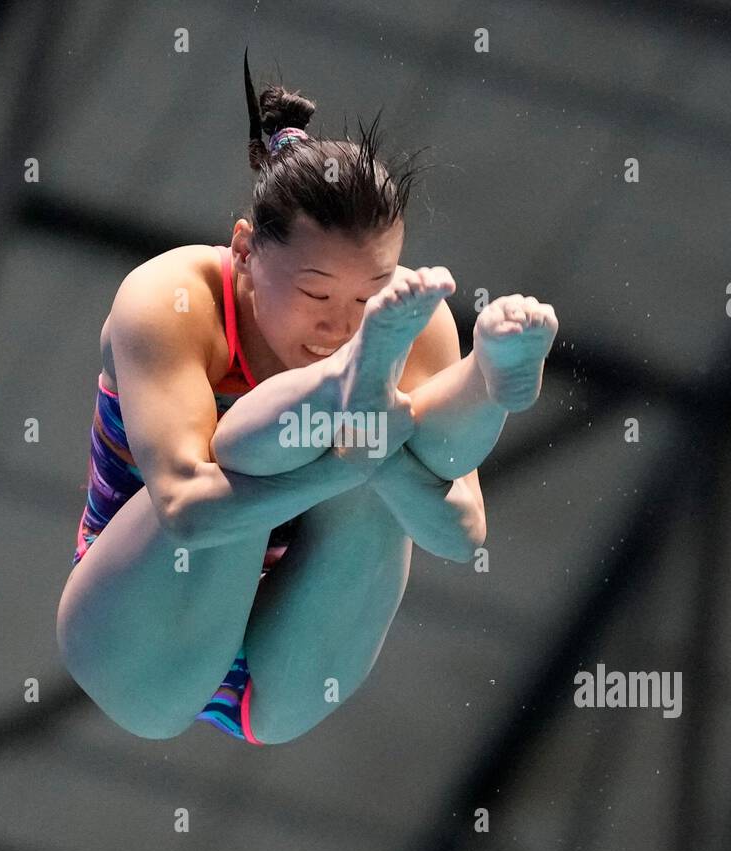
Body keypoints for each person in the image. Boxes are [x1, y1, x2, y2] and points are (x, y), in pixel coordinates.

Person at [56, 54, 559, 746]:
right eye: (317, 294)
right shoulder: (169, 300)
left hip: (287, 679)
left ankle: (485, 383)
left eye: (366, 297)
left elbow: (461, 533)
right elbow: (185, 510)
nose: (341, 323)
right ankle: (353, 391)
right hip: (140, 642)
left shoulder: (416, 315)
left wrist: (377, 455)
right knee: (243, 448)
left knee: (394, 475)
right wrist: (357, 456)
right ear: (243, 250)